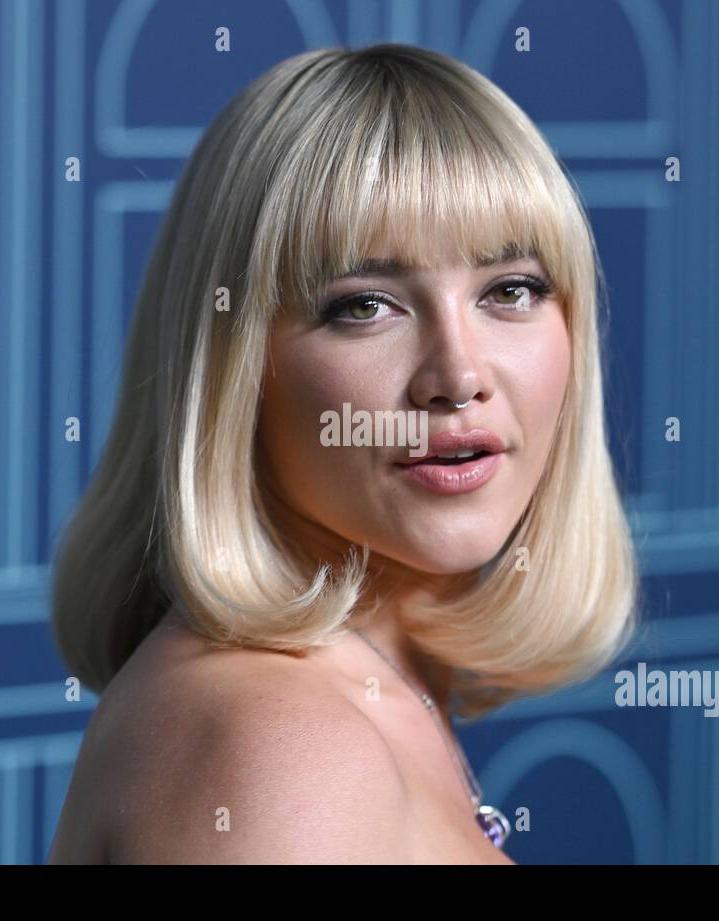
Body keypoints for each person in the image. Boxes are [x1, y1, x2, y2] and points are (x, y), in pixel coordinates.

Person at [46, 42, 639, 864]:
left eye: (511, 289)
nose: (459, 376)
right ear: (235, 368)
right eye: (365, 304)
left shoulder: (351, 692)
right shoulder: (282, 744)